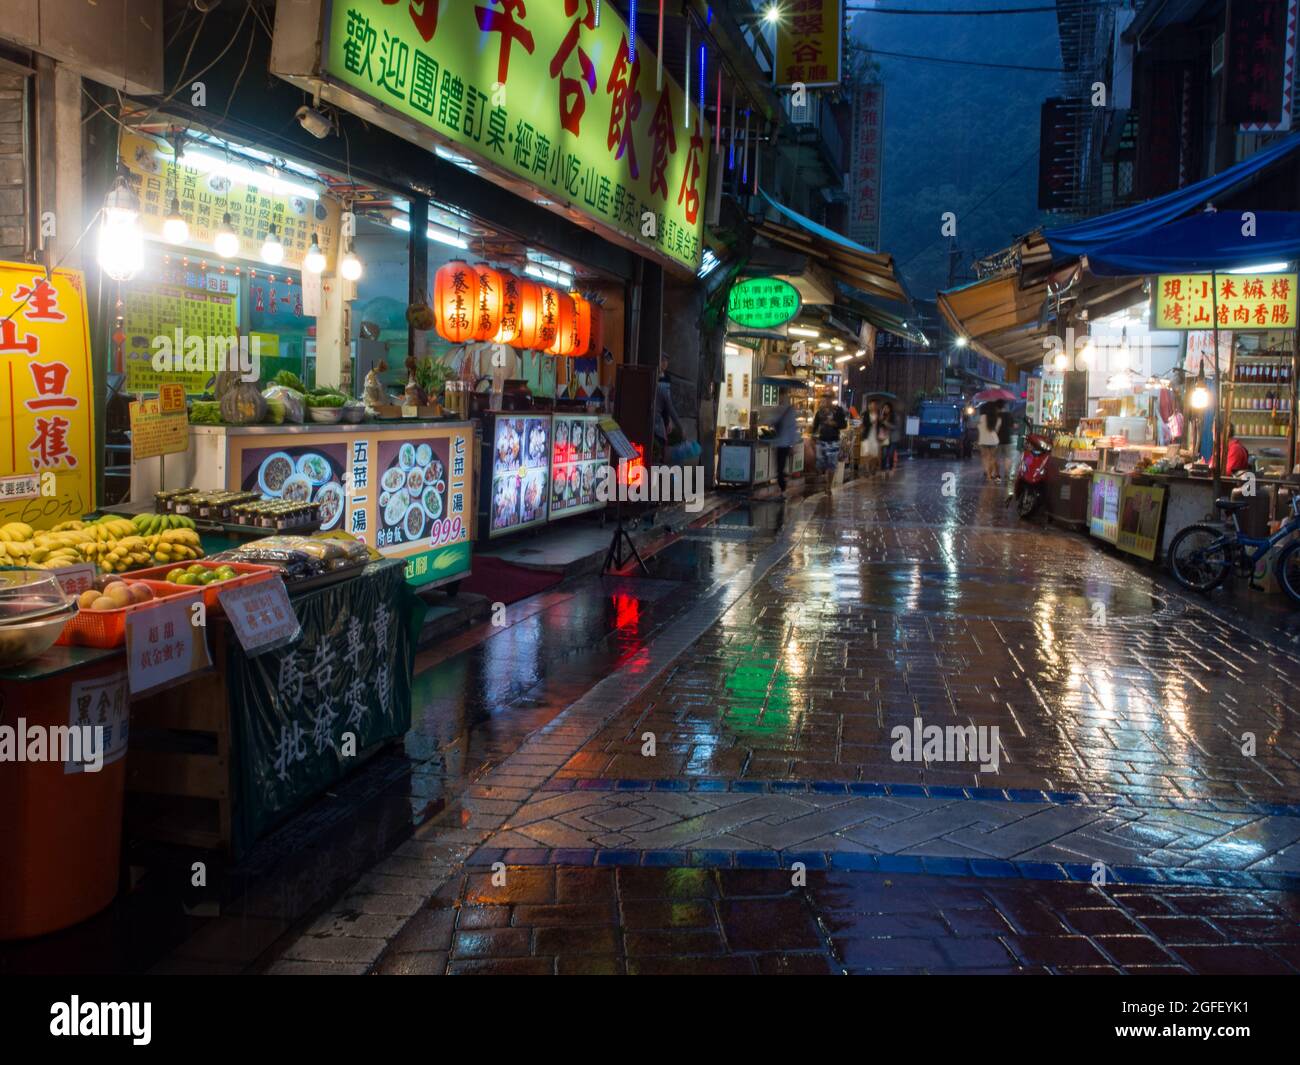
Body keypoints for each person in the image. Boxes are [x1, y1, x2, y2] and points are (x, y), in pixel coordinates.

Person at [811, 393, 848, 489]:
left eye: (828, 399)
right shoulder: (820, 412)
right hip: (821, 441)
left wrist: (834, 423)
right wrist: (813, 436)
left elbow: (844, 425)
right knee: (820, 464)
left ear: (832, 400)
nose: (825, 402)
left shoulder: (838, 411)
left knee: (831, 465)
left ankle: (828, 486)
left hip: (833, 441)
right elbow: (815, 426)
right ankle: (824, 481)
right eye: (823, 400)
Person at [765, 388, 799, 492]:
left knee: (780, 468)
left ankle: (783, 489)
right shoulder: (788, 409)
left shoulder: (783, 409)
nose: (781, 398)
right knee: (780, 467)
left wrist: (793, 445)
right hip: (783, 443)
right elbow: (793, 428)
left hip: (783, 443)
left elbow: (772, 422)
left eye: (781, 395)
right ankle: (783, 487)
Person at [653, 354, 682, 461]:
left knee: (663, 442)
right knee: (658, 441)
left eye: (666, 361)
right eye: (662, 360)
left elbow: (669, 401)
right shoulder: (654, 376)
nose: (665, 363)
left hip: (665, 413)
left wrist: (669, 419)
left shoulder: (667, 377)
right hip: (657, 415)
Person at [977, 401, 1000, 481]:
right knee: (992, 458)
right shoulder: (997, 418)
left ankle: (988, 476)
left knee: (985, 458)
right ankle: (992, 473)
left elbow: (978, 427)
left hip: (983, 440)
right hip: (993, 440)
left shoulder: (981, 417)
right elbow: (996, 430)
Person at [995, 400, 1014, 484]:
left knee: (997, 458)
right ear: (1004, 406)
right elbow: (1013, 425)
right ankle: (1006, 473)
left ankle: (998, 474)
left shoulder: (996, 415)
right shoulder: (1008, 415)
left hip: (997, 440)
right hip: (1007, 439)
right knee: (1007, 457)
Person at [861, 399, 881, 476]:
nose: (872, 407)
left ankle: (873, 468)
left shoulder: (878, 414)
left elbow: (880, 425)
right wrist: (872, 422)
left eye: (874, 405)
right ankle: (867, 469)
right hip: (867, 436)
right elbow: (865, 424)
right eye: (871, 405)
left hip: (875, 436)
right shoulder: (866, 414)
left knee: (874, 454)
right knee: (866, 453)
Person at [879, 401, 898, 472]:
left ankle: (890, 468)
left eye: (886, 408)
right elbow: (880, 425)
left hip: (892, 438)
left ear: (890, 408)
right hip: (884, 437)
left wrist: (885, 423)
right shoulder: (883, 416)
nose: (885, 409)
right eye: (884, 408)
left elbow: (894, 427)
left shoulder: (894, 416)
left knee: (890, 454)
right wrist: (881, 418)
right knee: (884, 453)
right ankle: (883, 468)